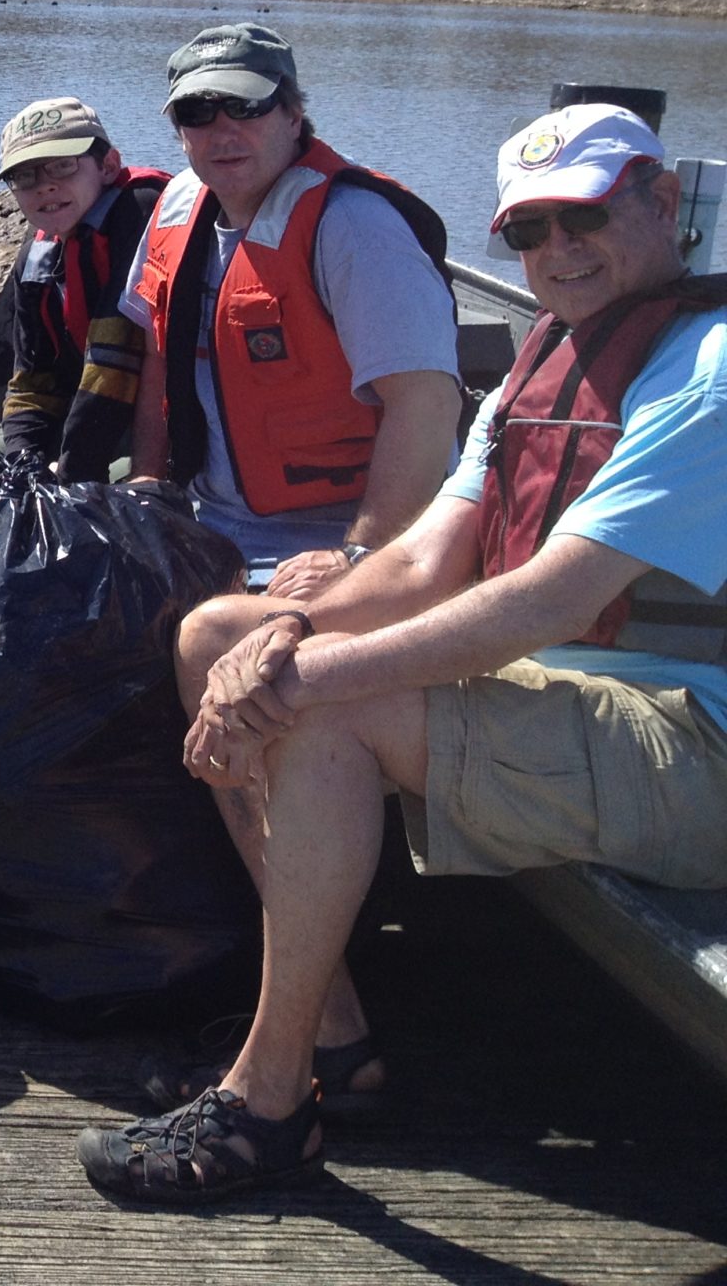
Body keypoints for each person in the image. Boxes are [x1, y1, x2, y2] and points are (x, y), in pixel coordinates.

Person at [80, 103, 727, 1203]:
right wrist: (282, 631)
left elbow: (539, 603)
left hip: (690, 746)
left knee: (316, 707)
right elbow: (429, 563)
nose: (555, 255)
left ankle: (269, 1101)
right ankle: (330, 1033)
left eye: (583, 219)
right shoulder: (546, 358)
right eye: (527, 235)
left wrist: (299, 678)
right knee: (219, 632)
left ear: (661, 203)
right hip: (566, 699)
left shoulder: (705, 369)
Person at [120, 22, 463, 592]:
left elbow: (426, 407)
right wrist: (147, 489)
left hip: (344, 540)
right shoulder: (177, 209)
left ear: (293, 113)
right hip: (208, 524)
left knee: (218, 651)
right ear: (180, 132)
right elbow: (159, 364)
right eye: (198, 113)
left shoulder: (355, 226)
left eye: (246, 106)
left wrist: (359, 556)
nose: (223, 131)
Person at [0, 97, 169, 485]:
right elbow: (31, 381)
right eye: (25, 177)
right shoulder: (38, 253)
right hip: (83, 420)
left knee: (117, 490)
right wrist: (24, 463)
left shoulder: (141, 212)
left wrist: (69, 476)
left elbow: (114, 363)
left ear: (108, 166)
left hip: (157, 430)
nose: (45, 186)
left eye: (63, 165)